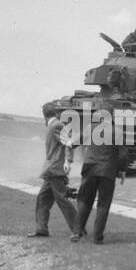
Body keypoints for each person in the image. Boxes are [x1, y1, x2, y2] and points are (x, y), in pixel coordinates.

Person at [72, 109, 129, 245]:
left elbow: (75, 142)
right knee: (103, 204)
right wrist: (120, 169)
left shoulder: (90, 128)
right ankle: (97, 238)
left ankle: (77, 231)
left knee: (84, 200)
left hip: (90, 168)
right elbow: (124, 154)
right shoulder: (117, 131)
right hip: (107, 171)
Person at [29, 102, 79, 238]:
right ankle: (41, 229)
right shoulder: (54, 125)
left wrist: (68, 160)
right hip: (52, 170)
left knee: (62, 199)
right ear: (55, 113)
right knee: (43, 199)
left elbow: (68, 143)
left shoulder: (56, 125)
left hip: (54, 169)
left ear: (44, 114)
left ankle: (78, 229)